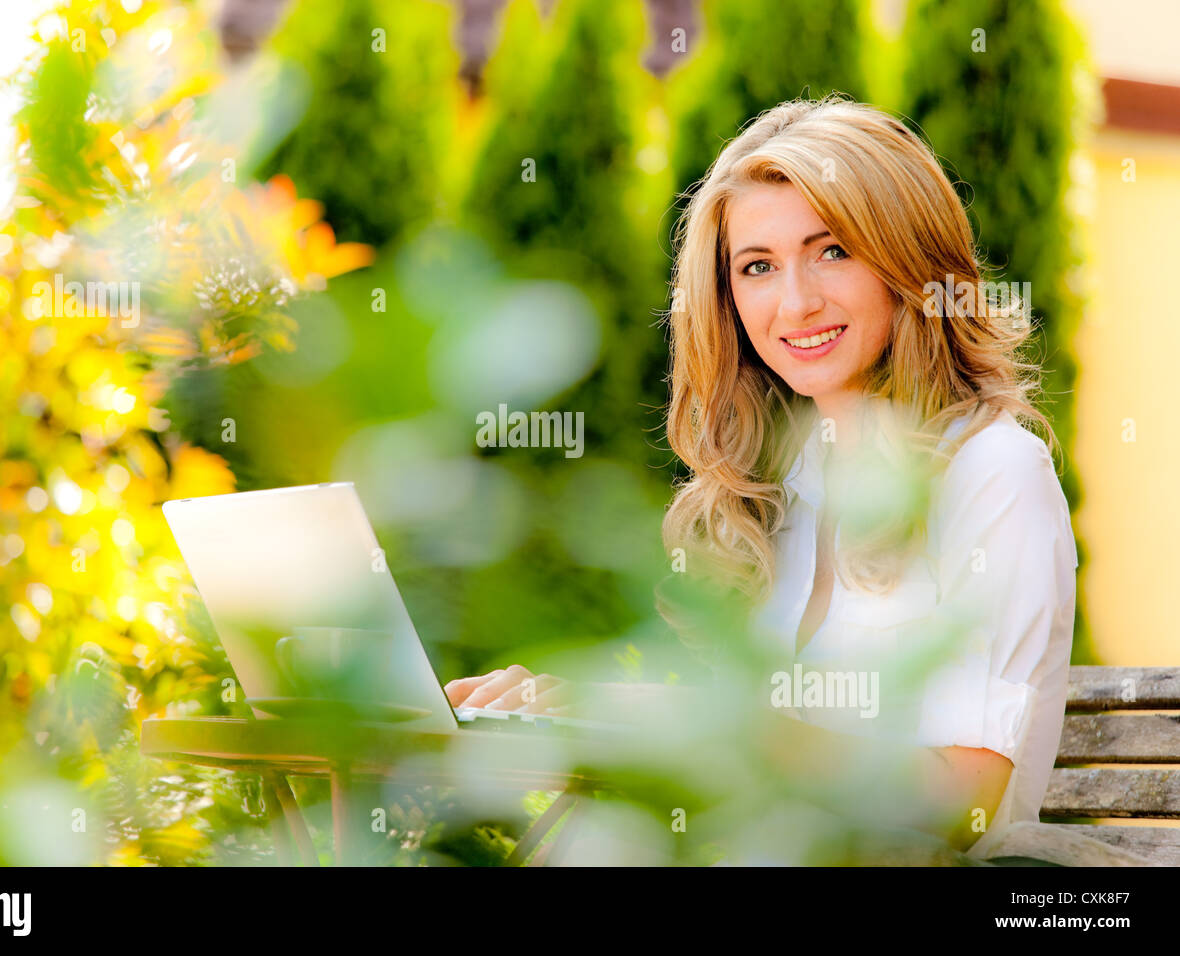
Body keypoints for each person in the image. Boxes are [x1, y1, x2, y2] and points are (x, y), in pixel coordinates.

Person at [445, 95, 1077, 861]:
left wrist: (675, 721)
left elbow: (958, 802)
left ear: (909, 260)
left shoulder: (992, 470)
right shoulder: (776, 490)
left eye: (833, 250)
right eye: (757, 267)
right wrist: (577, 710)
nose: (796, 301)